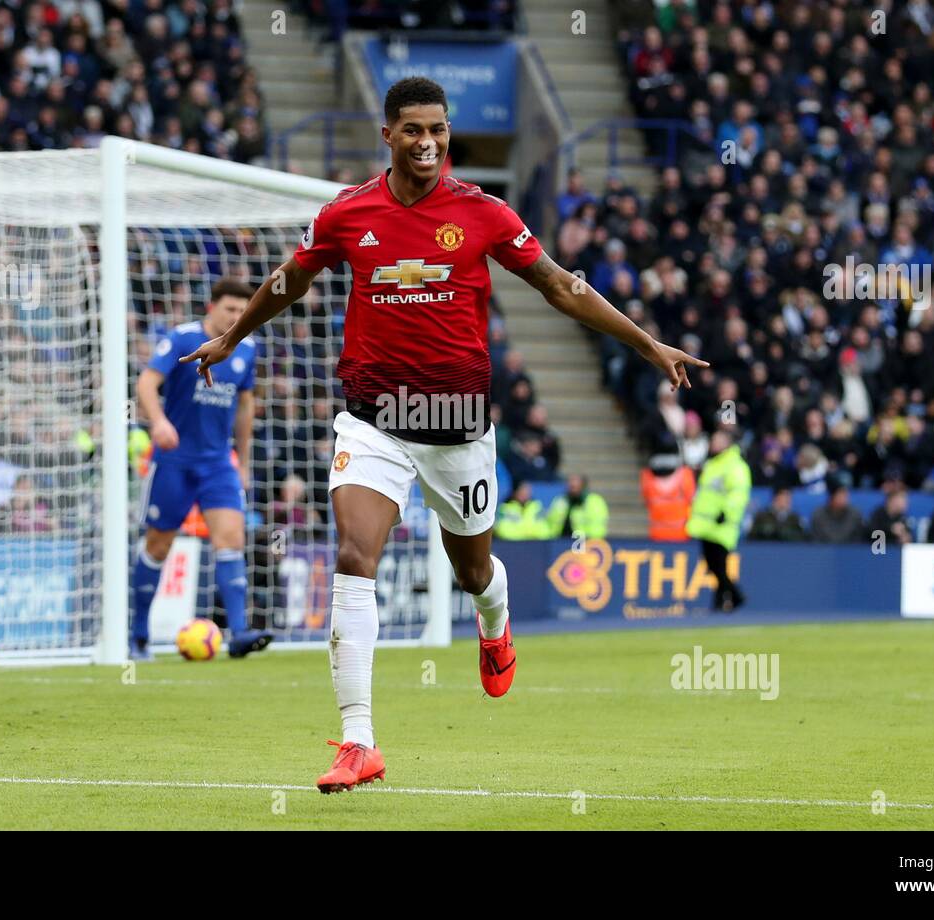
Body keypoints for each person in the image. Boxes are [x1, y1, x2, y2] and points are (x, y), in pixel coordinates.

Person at [180, 77, 706, 793]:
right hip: (373, 421)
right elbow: (287, 280)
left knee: (472, 572)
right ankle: (358, 741)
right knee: (354, 554)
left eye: (439, 130)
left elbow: (562, 286)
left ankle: (495, 617)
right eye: (414, 130)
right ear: (389, 136)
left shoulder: (483, 213)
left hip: (457, 430)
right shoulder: (347, 213)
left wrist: (649, 346)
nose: (428, 142)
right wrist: (230, 338)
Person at [131, 279, 272, 661]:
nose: (236, 317)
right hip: (173, 462)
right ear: (211, 307)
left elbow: (244, 407)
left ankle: (239, 634)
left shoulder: (246, 349)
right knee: (158, 546)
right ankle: (138, 635)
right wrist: (158, 422)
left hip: (217, 464)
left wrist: (242, 461)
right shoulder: (181, 339)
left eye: (243, 311)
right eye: (230, 309)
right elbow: (147, 382)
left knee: (231, 539)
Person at [685, 429, 751, 612]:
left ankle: (734, 596)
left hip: (721, 525)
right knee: (713, 566)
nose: (713, 442)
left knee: (718, 566)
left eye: (717, 439)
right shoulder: (713, 463)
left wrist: (726, 513)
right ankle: (722, 601)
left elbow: (738, 494)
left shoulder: (735, 466)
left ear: (727, 442)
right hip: (707, 524)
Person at [546, 473, 609, 540]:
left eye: (574, 487)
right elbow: (550, 522)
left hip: (585, 542)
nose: (571, 489)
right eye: (570, 486)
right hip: (559, 541)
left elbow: (597, 528)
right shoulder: (560, 500)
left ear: (583, 486)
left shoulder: (595, 501)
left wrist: (588, 540)